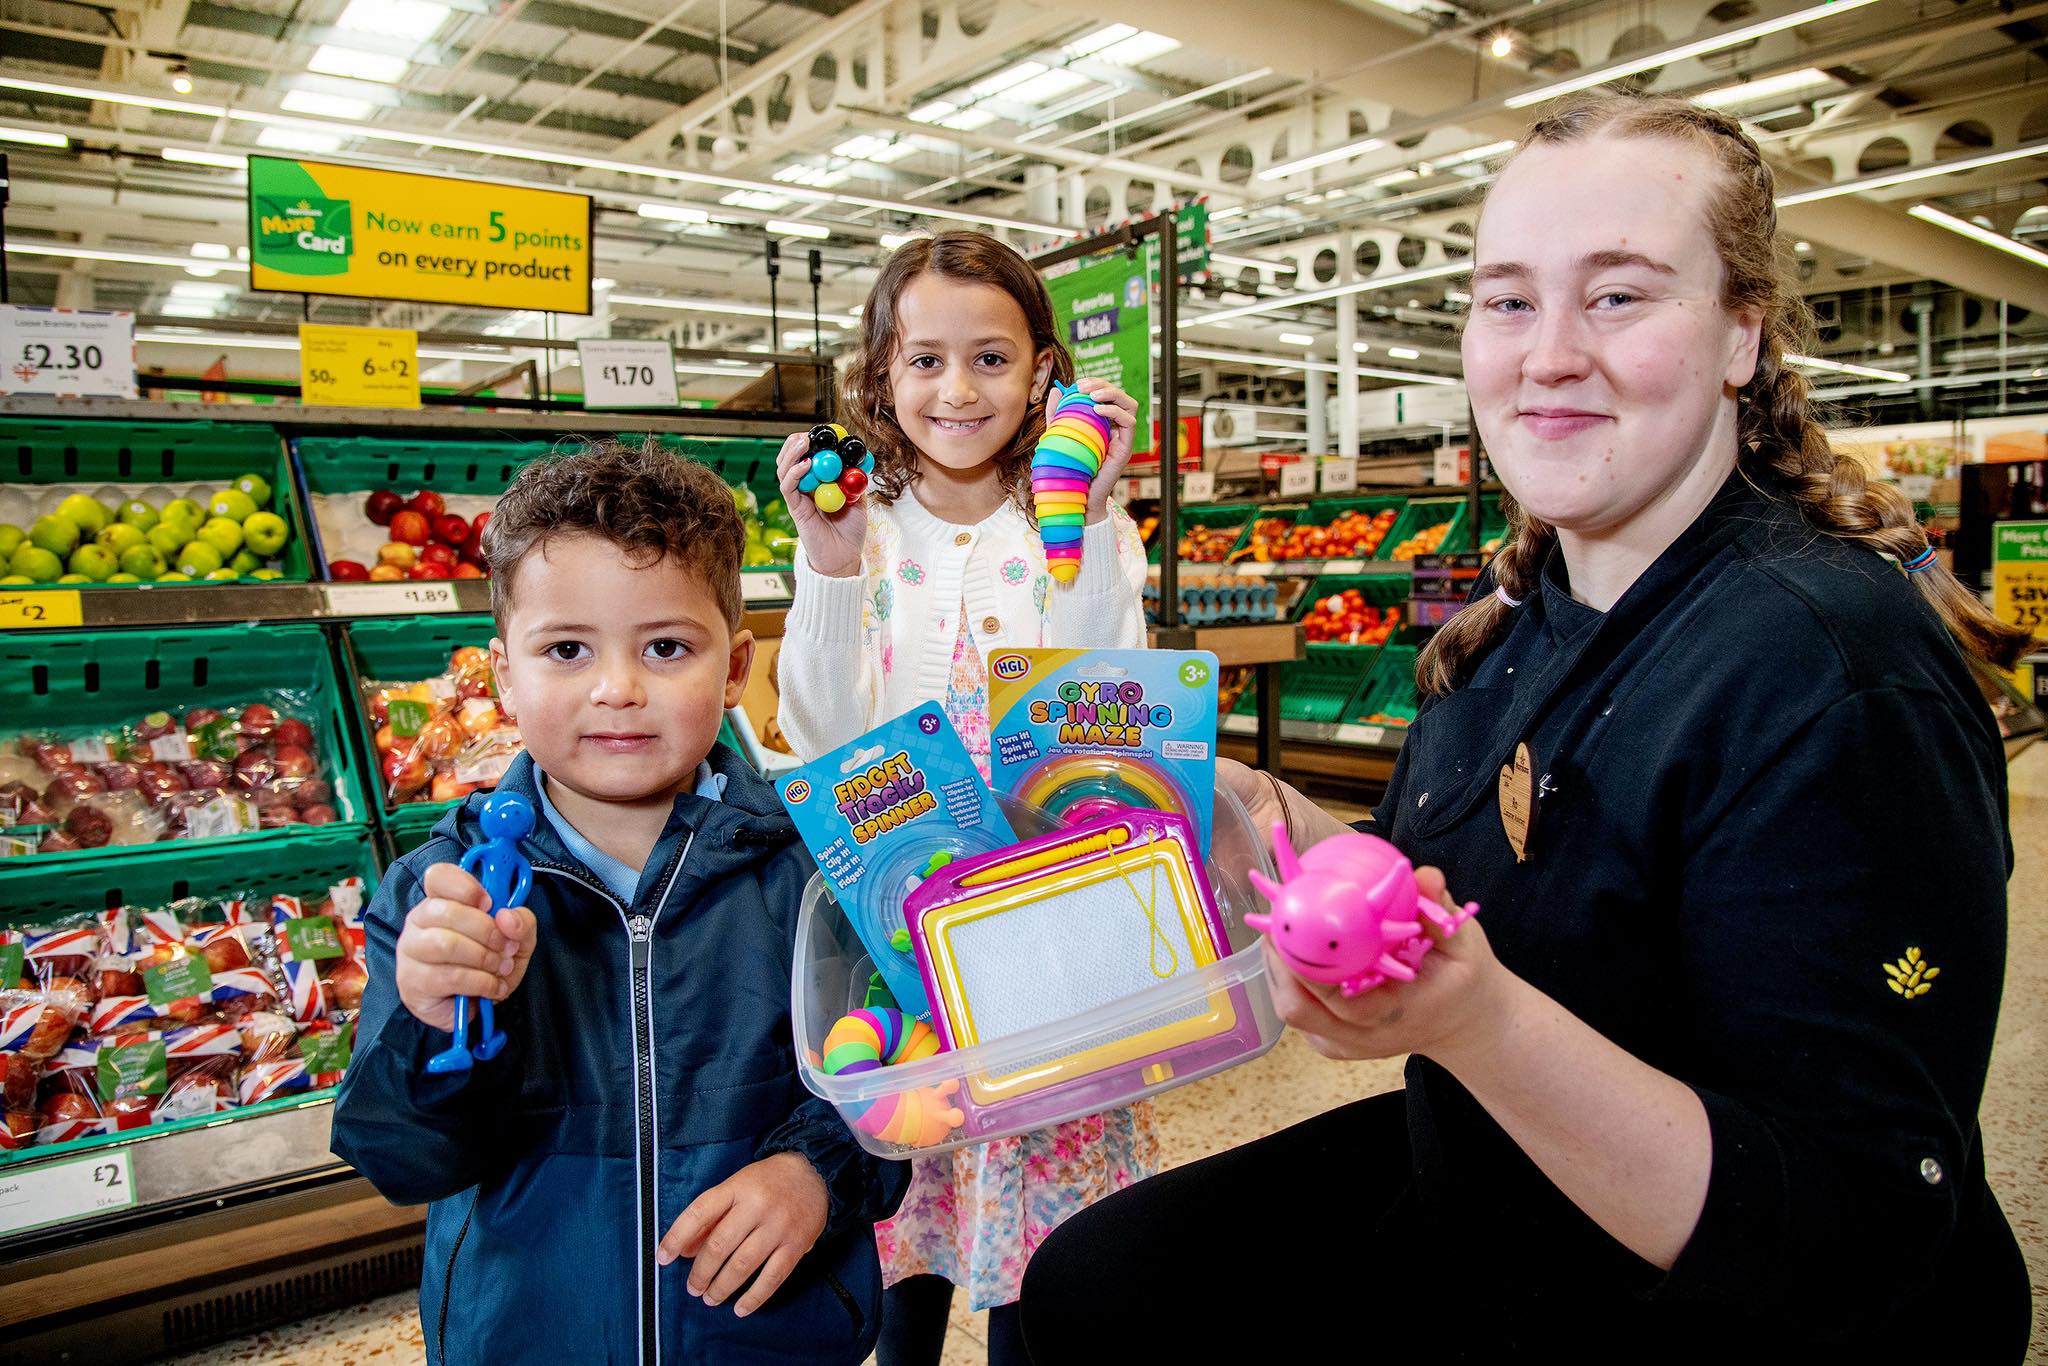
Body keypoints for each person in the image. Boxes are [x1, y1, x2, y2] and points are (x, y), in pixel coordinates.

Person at [1021, 96, 2036, 1360]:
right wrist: (1263, 824)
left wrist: (1474, 1022)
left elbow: (1857, 1234)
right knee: (1088, 1289)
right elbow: (1452, 884)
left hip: (1728, 1297)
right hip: (1497, 1174)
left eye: (1616, 296)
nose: (1547, 353)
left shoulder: (1830, 677)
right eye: (1507, 300)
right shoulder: (1507, 629)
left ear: (1738, 335)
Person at [334, 444, 908, 1365]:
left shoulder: (815, 871)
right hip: (524, 1336)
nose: (618, 689)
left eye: (666, 647)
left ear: (734, 670)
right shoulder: (444, 899)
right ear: (503, 676)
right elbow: (404, 1162)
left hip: (770, 1336)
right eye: (566, 649)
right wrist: (429, 1023)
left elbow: (888, 1076)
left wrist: (816, 1172)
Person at [776, 230, 1151, 1366]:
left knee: (1038, 1224)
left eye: (990, 359)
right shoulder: (863, 529)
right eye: (924, 360)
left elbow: (1105, 715)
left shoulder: (1083, 528)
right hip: (895, 935)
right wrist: (830, 566)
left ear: (1043, 372)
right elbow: (820, 735)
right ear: (881, 377)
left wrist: (1083, 528)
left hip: (1050, 929)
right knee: (906, 1200)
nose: (956, 389)